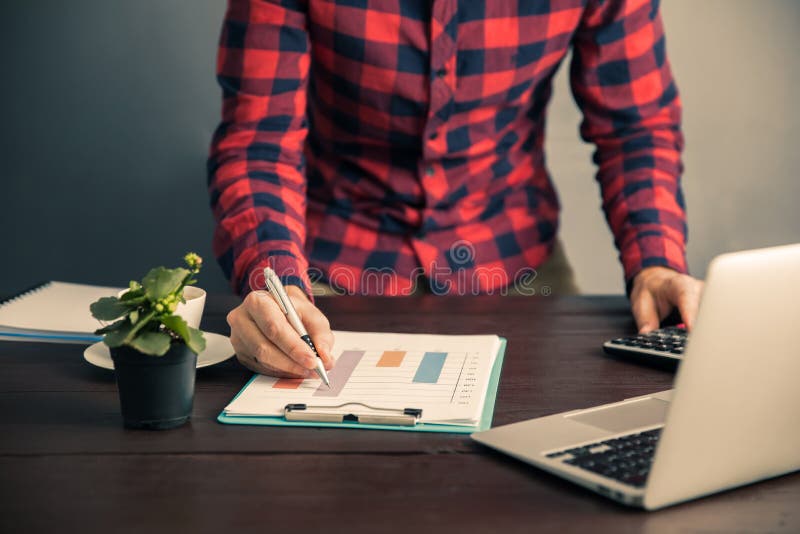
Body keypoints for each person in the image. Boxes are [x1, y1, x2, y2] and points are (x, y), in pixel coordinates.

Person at [208, 0, 703, 378]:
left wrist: (655, 261)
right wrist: (275, 279)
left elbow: (636, 127)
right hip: (329, 260)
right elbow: (259, 141)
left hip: (513, 254)